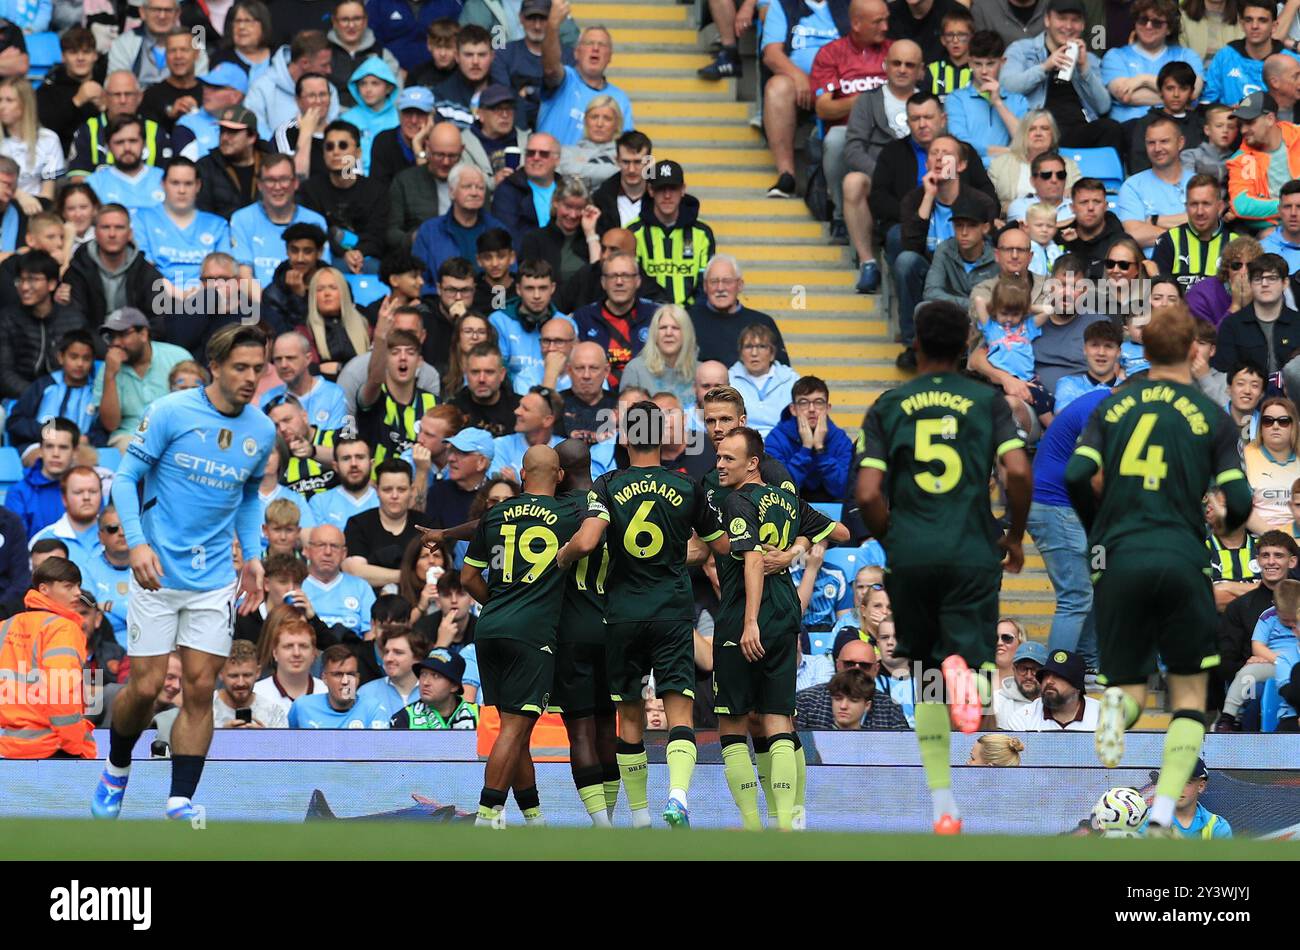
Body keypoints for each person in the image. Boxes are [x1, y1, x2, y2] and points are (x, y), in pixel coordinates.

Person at [1065, 303, 1253, 834]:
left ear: (1142, 349)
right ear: (1193, 350)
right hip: (1182, 558)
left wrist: (1099, 526)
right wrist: (1224, 520)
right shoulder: (1211, 415)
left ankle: (1114, 714)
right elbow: (1240, 499)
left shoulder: (1112, 406)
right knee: (1189, 697)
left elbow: (1076, 475)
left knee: (1127, 687)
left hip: (1120, 556)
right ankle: (1164, 815)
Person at [856, 299, 1032, 833]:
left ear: (915, 342)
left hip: (913, 554)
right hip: (971, 550)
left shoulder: (888, 405)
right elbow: (1018, 471)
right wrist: (1014, 535)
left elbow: (868, 492)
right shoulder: (987, 400)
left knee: (926, 676)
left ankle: (943, 804)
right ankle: (969, 680)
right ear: (965, 346)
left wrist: (894, 539)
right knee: (974, 660)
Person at [90, 324, 276, 821]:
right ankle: (117, 766)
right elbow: (126, 480)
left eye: (258, 369)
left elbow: (248, 498)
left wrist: (253, 556)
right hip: (157, 571)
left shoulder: (261, 430)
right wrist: (137, 544)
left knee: (199, 687)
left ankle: (180, 799)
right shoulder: (171, 411)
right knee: (146, 687)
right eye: (240, 367)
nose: (250, 378)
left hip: (213, 580)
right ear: (215, 366)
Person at [558, 401, 724, 828]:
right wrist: (676, 556)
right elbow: (715, 545)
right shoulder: (686, 485)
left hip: (623, 614)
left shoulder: (608, 484)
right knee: (679, 712)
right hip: (672, 612)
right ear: (663, 436)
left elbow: (588, 540)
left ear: (626, 437)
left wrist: (565, 554)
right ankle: (678, 797)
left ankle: (640, 817)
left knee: (629, 716)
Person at [711, 426, 845, 828]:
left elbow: (752, 560)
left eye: (728, 458)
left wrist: (749, 621)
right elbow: (841, 532)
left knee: (732, 722)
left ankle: (754, 827)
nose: (720, 465)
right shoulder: (788, 500)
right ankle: (785, 825)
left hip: (745, 614)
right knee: (778, 718)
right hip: (786, 612)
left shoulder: (737, 500)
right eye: (718, 457)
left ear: (752, 463)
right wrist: (796, 550)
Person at [460, 445, 571, 826]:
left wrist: (499, 605)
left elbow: (468, 577)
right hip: (531, 633)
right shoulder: (567, 514)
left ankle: (534, 818)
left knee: (516, 728)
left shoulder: (494, 514)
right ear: (559, 476)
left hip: (489, 628)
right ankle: (487, 816)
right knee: (514, 728)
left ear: (523, 475)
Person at [807, 0, 892, 252]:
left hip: (890, 129)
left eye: (886, 19)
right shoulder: (831, 53)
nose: (885, 27)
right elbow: (823, 108)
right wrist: (864, 101)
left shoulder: (894, 52)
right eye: (877, 22)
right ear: (856, 23)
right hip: (848, 130)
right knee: (834, 140)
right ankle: (840, 216)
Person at [0, 556, 97, 758]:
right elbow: (60, 693)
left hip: (8, 747)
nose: (78, 593)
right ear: (44, 589)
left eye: (78, 586)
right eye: (68, 586)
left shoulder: (5, 626)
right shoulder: (62, 628)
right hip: (53, 748)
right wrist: (76, 746)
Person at [999, 0, 1124, 154]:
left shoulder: (1089, 59)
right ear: (1047, 20)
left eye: (1075, 20)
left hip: (1076, 129)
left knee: (1111, 128)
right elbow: (1007, 86)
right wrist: (1045, 67)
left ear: (1083, 25)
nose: (1068, 26)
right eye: (1062, 18)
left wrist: (1084, 70)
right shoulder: (1022, 49)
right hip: (1039, 129)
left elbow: (1103, 106)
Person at [756, 0, 848, 199]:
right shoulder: (783, 5)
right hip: (800, 86)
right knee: (777, 88)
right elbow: (772, 54)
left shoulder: (847, 4)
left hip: (842, 84)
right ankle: (786, 175)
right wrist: (799, 77)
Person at [93, 306, 192, 451]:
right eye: (112, 337)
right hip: (129, 436)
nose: (116, 343)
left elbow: (195, 406)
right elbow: (110, 425)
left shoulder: (177, 357)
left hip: (174, 432)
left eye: (123, 335)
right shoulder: (107, 368)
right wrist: (110, 375)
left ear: (143, 334)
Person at [0, 252, 93, 400]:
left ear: (52, 284)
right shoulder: (7, 319)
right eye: (20, 280)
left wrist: (58, 396)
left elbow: (84, 368)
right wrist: (40, 395)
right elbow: (4, 373)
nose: (24, 287)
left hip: (66, 397)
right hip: (19, 398)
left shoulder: (74, 321)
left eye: (33, 280)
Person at [231, 153, 332, 288]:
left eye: (284, 179)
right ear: (259, 184)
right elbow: (244, 277)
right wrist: (270, 300)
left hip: (305, 297)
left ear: (295, 183)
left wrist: (300, 297)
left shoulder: (315, 221)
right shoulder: (242, 219)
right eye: (270, 180)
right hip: (257, 299)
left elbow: (321, 275)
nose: (277, 187)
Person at [537, 5, 632, 148]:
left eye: (602, 45)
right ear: (576, 52)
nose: (595, 48)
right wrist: (553, 25)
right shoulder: (565, 80)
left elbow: (626, 147)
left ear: (610, 56)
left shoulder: (620, 99)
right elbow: (550, 68)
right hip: (552, 161)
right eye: (589, 43)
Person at [301, 120, 389, 273]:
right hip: (326, 258)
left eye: (343, 146)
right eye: (329, 147)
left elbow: (378, 234)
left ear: (358, 153)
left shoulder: (376, 190)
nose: (335, 152)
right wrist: (343, 253)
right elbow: (315, 233)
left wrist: (359, 253)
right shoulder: (310, 190)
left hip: (367, 259)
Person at [134, 158, 233, 291]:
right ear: (163, 184)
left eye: (188, 183)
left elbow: (224, 274)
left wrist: (197, 294)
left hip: (208, 297)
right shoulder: (142, 218)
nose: (181, 190)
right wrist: (177, 295)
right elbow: (143, 270)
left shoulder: (217, 225)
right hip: (156, 295)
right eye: (175, 183)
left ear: (198, 185)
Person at [629, 160, 715, 306]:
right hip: (647, 314)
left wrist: (692, 314)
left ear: (683, 190)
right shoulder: (634, 233)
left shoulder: (702, 233)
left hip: (690, 314)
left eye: (673, 188)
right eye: (661, 189)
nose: (667, 195)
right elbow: (632, 281)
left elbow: (705, 283)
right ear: (650, 190)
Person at [356, 319, 439, 468]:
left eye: (410, 352)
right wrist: (380, 335)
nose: (403, 357)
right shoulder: (374, 397)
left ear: (419, 361)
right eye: (395, 352)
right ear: (385, 360)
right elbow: (374, 380)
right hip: (378, 480)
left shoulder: (433, 403)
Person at [570, 251, 657, 385]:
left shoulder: (656, 316)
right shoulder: (583, 318)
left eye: (626, 276)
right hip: (597, 394)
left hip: (645, 392)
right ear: (603, 282)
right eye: (612, 276)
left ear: (638, 281)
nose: (619, 282)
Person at [763, 375, 855, 502]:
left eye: (818, 402)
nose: (812, 409)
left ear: (827, 408)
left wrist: (820, 449)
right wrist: (805, 449)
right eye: (803, 403)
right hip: (789, 507)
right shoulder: (776, 438)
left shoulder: (840, 439)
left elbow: (843, 489)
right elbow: (778, 491)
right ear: (793, 409)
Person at [413, 164, 505, 290]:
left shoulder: (497, 229)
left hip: (489, 300)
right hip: (439, 300)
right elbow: (419, 280)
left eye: (480, 188)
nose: (474, 193)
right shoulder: (429, 231)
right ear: (451, 192)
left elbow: (508, 278)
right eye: (467, 187)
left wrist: (493, 302)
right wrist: (445, 296)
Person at [343, 458, 429, 589]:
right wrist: (409, 576)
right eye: (387, 489)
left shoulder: (427, 525)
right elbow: (354, 571)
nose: (394, 496)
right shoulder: (358, 524)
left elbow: (435, 568)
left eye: (401, 489)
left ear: (412, 490)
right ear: (377, 490)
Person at [689, 254, 788, 366]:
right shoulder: (688, 321)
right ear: (705, 286)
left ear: (740, 285)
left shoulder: (763, 323)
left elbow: (782, 369)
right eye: (714, 281)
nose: (720, 288)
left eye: (727, 281)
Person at [245, 31, 339, 141]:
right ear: (304, 63)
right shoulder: (262, 88)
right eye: (324, 65)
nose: (329, 70)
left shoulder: (328, 89)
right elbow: (256, 131)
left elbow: (333, 131)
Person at [386, 120, 464, 252]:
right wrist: (414, 238)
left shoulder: (472, 182)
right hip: (419, 255)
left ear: (462, 150)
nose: (446, 162)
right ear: (428, 148)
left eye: (452, 156)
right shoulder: (405, 182)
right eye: (439, 155)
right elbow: (391, 233)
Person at [1226, 92, 1300, 230]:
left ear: (1270, 119)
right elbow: (1241, 205)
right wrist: (1290, 207)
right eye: (1241, 124)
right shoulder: (1240, 159)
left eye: (1250, 122)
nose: (1243, 130)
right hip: (1274, 231)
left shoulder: (1297, 136)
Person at [1204, 0, 1300, 106]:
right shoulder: (1225, 56)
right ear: (1242, 24)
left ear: (1274, 26)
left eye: (1262, 20)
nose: (1254, 26)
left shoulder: (1293, 62)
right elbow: (1207, 102)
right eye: (1249, 20)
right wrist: (1229, 112)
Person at [987, 110, 1082, 215]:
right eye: (1032, 129)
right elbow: (989, 202)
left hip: (1058, 219)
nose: (1038, 133)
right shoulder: (999, 164)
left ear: (1053, 134)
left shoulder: (1069, 165)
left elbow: (1080, 198)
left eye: (1044, 128)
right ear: (1023, 134)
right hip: (1013, 220)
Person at [35, 26, 105, 155]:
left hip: (104, 156)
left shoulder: (107, 84)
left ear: (95, 55)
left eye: (86, 52)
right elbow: (46, 132)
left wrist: (105, 108)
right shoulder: (47, 90)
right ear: (63, 56)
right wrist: (76, 102)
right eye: (73, 52)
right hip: (62, 157)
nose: (80, 58)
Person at [259, 332, 349, 430]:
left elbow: (339, 437)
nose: (283, 365)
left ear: (308, 358)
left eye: (290, 358)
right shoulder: (268, 398)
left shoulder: (334, 394)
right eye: (278, 359)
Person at [4, 416, 77, 537]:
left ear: (75, 452)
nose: (55, 454)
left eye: (63, 447)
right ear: (41, 449)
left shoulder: (86, 489)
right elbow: (15, 542)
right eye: (49, 446)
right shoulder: (19, 492)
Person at [1151, 174, 1227, 290]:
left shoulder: (1236, 244)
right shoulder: (1168, 240)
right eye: (1194, 204)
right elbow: (1152, 293)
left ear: (1220, 207)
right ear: (1186, 207)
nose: (1200, 212)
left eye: (1206, 204)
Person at [27, 464, 104, 577]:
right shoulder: (43, 538)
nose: (86, 497)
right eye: (78, 492)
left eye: (93, 491)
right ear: (64, 498)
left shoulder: (118, 534)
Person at [619, 304, 697, 411]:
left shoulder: (702, 371)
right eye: (663, 328)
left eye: (675, 328)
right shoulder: (635, 369)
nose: (668, 333)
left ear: (686, 333)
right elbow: (625, 414)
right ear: (654, 333)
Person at [194, 103, 266, 219]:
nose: (224, 138)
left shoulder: (271, 165)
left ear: (252, 137)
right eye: (222, 130)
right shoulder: (205, 167)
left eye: (232, 132)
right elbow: (203, 214)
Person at [82, 116, 166, 214]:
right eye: (119, 142)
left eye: (133, 141)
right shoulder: (93, 184)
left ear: (144, 143)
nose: (127, 148)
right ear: (108, 147)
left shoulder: (164, 179)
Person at [0, 77, 63, 208]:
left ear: (25, 104)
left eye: (9, 100)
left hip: (36, 207)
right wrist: (19, 195)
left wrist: (32, 207)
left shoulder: (49, 139)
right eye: (0, 100)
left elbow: (47, 194)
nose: (1, 106)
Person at [1002, 649, 1100, 730]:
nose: (1048, 681)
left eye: (1058, 676)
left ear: (1077, 686)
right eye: (1045, 675)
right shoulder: (1023, 717)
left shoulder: (1101, 715)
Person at [327, 0, 401, 107]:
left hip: (376, 116)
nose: (351, 25)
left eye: (357, 19)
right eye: (345, 19)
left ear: (365, 21)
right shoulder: (323, 54)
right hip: (333, 116)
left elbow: (396, 96)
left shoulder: (382, 55)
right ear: (334, 22)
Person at [288, 643, 383, 727]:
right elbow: (290, 739)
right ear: (324, 678)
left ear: (358, 678)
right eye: (338, 674)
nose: (345, 681)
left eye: (351, 674)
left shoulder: (372, 709)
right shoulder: (303, 707)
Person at [729, 322, 797, 438]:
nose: (754, 353)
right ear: (741, 354)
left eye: (761, 346)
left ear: (772, 353)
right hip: (741, 441)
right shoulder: (728, 379)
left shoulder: (791, 380)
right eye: (748, 347)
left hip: (782, 442)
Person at [1243, 397, 1300, 532]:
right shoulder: (1247, 455)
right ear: (1261, 427)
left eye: (1283, 421)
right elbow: (1243, 508)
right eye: (1268, 421)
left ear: (1293, 425)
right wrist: (1277, 538)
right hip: (1261, 538)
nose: (1275, 426)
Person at [389, 647, 478, 728]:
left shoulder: (479, 715)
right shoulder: (403, 719)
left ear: (454, 686)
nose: (425, 682)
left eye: (435, 676)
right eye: (423, 674)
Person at [338, 57, 399, 172]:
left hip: (392, 179)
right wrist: (350, 181)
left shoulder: (399, 117)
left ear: (389, 88)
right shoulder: (347, 119)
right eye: (363, 84)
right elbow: (344, 161)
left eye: (375, 83)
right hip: (356, 179)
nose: (368, 89)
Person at [424, 426, 492, 529]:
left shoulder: (496, 497)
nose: (451, 458)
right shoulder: (437, 493)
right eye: (451, 451)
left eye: (461, 453)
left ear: (481, 462)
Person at [212, 638, 288, 727]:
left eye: (247, 675)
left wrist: (264, 734)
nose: (241, 683)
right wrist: (222, 734)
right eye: (234, 676)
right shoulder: (204, 709)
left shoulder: (274, 712)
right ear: (220, 673)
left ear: (258, 672)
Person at [140, 28, 203, 133]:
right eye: (172, 51)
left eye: (184, 50)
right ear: (166, 56)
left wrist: (199, 114)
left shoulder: (209, 92)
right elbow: (147, 134)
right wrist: (169, 115)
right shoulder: (152, 95)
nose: (178, 56)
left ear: (196, 54)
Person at [1054, 320, 1124, 412]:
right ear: (1085, 349)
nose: (1101, 353)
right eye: (1095, 345)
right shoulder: (1068, 385)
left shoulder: (1130, 389)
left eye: (1108, 346)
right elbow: (1064, 418)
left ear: (1118, 352)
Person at [592, 130, 652, 233]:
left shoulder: (661, 194)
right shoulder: (600, 198)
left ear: (648, 162)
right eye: (626, 162)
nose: (631, 169)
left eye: (637, 162)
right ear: (617, 161)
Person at [557, 95, 620, 191]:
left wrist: (579, 168)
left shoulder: (624, 154)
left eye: (607, 118)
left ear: (617, 123)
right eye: (594, 117)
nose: (599, 124)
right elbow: (566, 170)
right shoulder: (566, 152)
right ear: (585, 120)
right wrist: (617, 170)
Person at [210, 0, 276, 83]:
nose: (241, 27)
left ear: (263, 25)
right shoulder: (220, 59)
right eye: (238, 21)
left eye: (248, 21)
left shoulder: (280, 58)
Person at [992, 639, 1045, 728]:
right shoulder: (996, 702)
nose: (1028, 676)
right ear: (1014, 669)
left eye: (1035, 670)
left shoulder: (1053, 704)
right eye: (1023, 669)